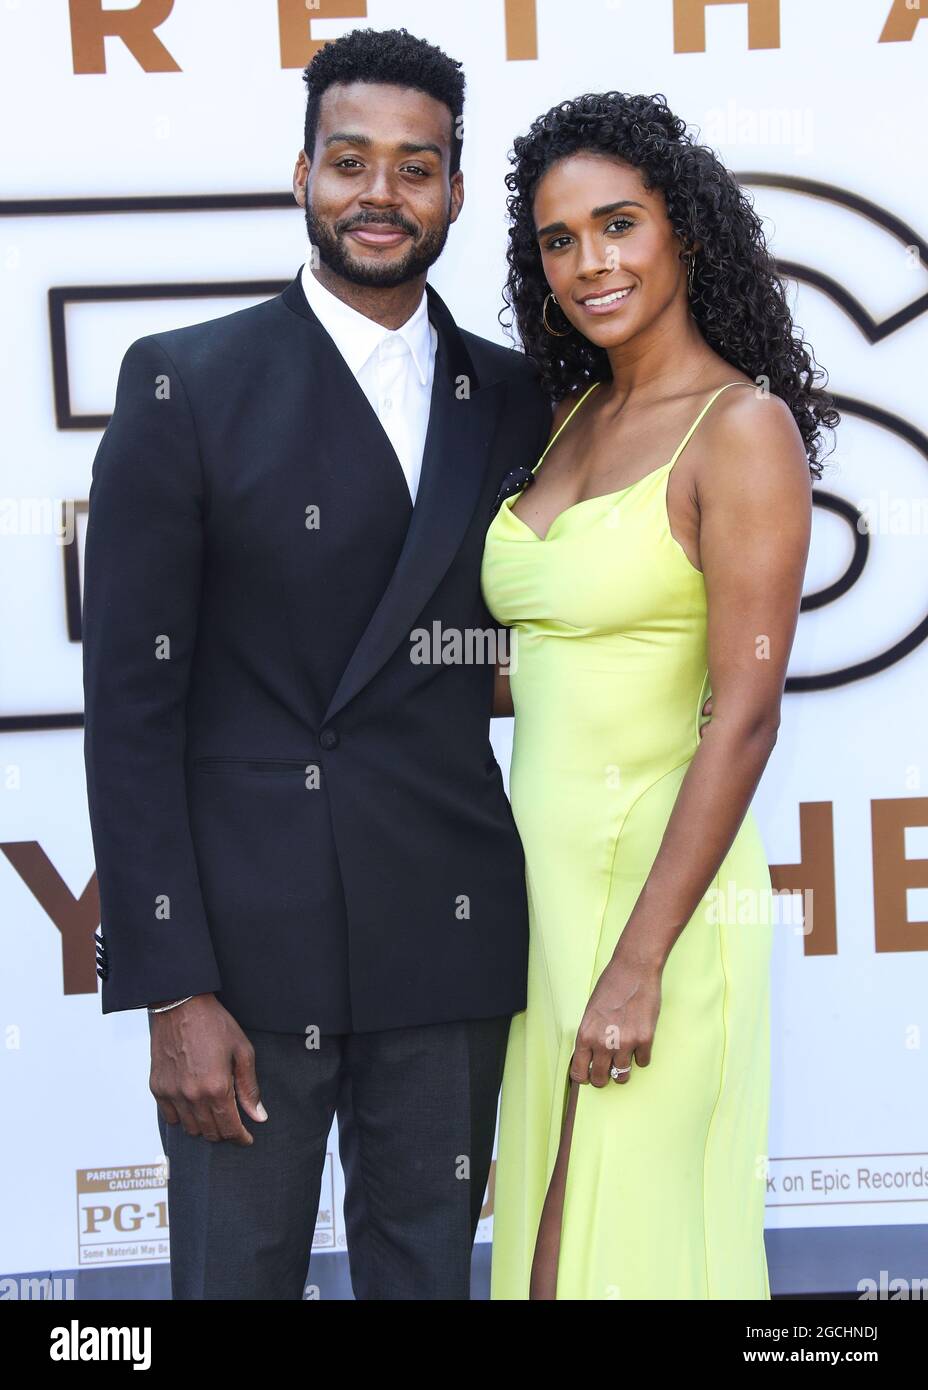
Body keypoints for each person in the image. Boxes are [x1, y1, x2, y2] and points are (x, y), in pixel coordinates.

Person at [81, 27, 557, 1301]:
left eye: (416, 167)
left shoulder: (519, 398)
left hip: (445, 933)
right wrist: (172, 988)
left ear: (455, 190)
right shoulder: (186, 382)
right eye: (350, 162)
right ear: (303, 176)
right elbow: (129, 711)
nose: (380, 194)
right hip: (243, 961)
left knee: (426, 1280)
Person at [481, 91, 836, 1300]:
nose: (590, 262)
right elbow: (549, 656)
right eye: (559, 239)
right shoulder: (572, 414)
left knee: (624, 1257)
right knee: (547, 1250)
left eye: (618, 224)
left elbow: (743, 716)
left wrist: (637, 965)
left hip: (659, 912)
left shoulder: (740, 429)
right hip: (539, 905)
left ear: (683, 227)